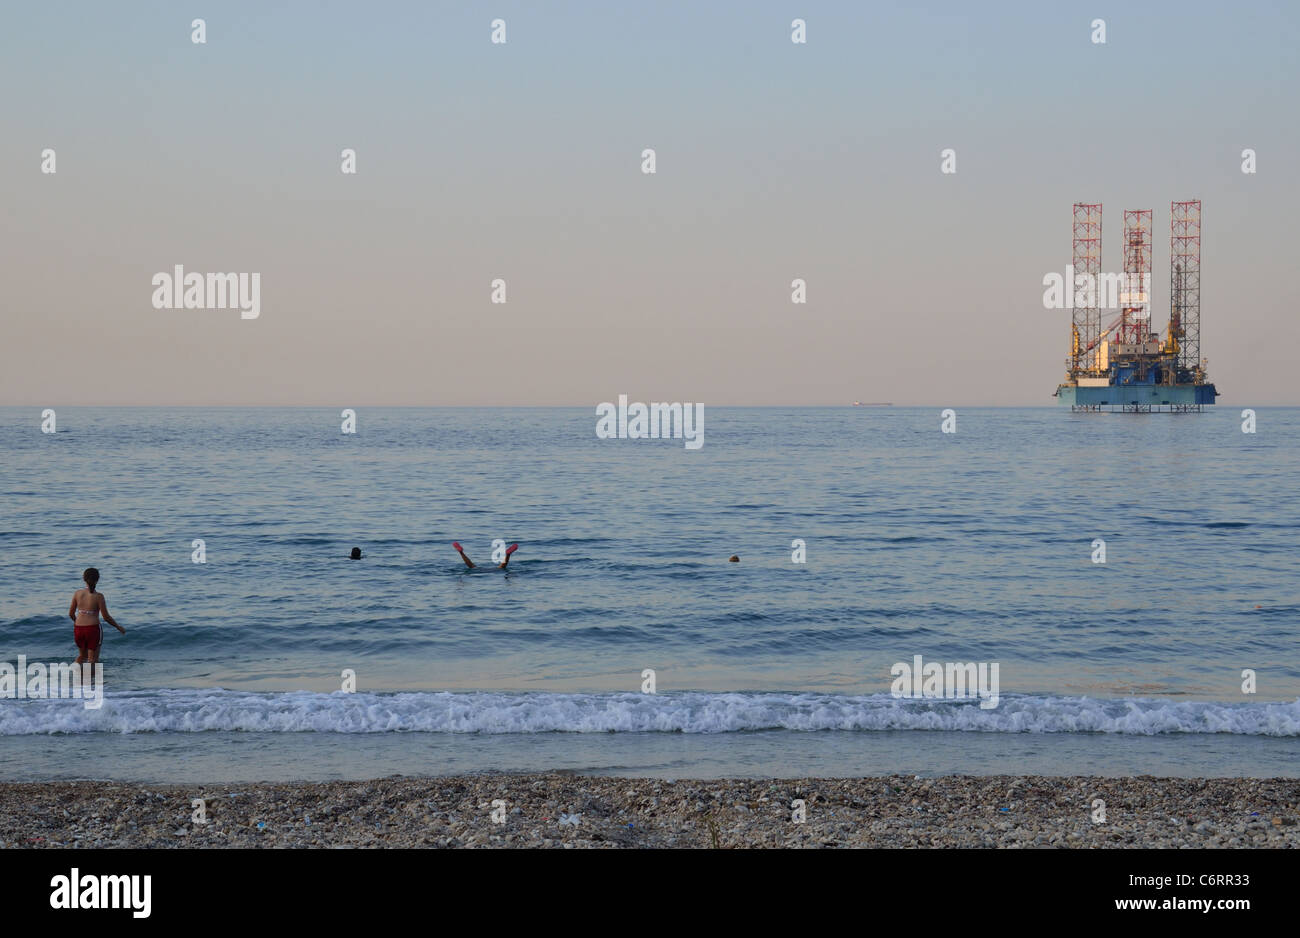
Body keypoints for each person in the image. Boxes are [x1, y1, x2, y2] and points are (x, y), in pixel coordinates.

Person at [68, 567, 124, 665]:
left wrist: (78, 623)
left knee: (82, 656)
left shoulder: (77, 593)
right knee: (92, 659)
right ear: (97, 580)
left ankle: (76, 675)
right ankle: (92, 679)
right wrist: (118, 627)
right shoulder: (99, 596)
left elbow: (71, 614)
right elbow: (106, 617)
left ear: (84, 579)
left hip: (78, 628)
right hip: (93, 629)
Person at [453, 541, 518, 570]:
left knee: (471, 566)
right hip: (494, 571)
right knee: (502, 567)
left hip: (479, 570)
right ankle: (508, 554)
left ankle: (461, 552)